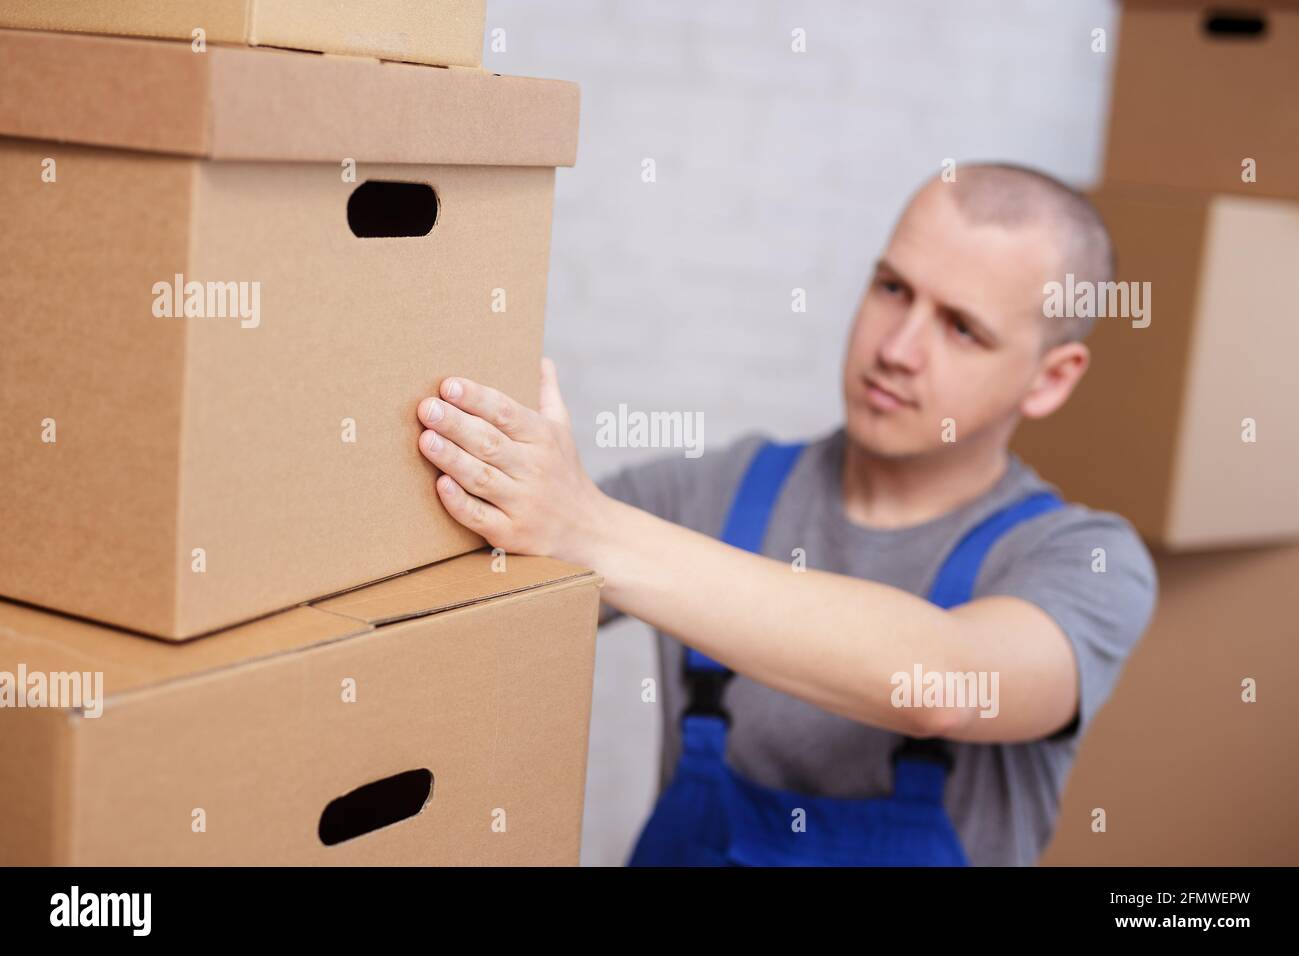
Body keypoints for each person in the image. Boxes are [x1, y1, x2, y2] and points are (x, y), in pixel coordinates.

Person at [413, 163, 1157, 866]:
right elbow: (457, 621)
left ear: (1050, 379)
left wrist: (588, 530)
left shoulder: (1082, 561)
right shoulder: (708, 493)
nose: (897, 349)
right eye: (893, 289)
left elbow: (941, 686)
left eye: (962, 328)